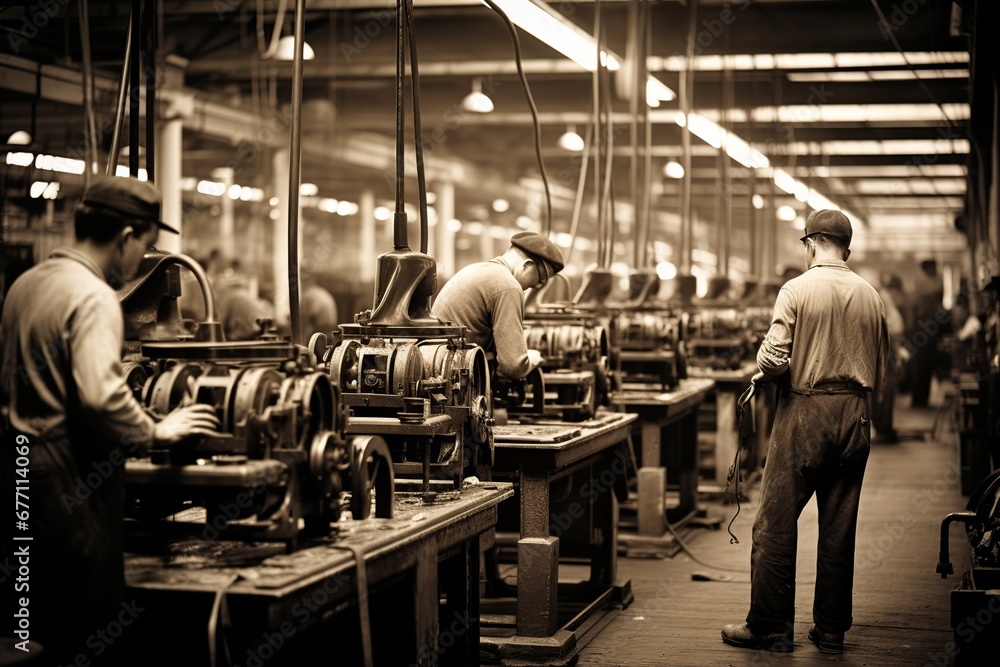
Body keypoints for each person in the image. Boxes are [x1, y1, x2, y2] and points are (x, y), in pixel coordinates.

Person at [1, 176, 221, 664]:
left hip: (19, 467)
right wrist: (155, 429)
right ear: (125, 237)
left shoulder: (25, 285)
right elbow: (101, 397)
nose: (141, 260)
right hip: (69, 477)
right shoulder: (94, 297)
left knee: (28, 618)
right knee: (84, 622)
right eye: (144, 245)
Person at [721, 210, 888, 655]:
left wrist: (777, 372)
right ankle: (831, 629)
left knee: (774, 523)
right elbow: (883, 367)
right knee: (839, 524)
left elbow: (773, 360)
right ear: (846, 248)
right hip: (856, 414)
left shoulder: (796, 289)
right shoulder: (871, 295)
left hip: (806, 412)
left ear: (811, 243)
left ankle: (770, 626)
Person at [431, 231, 565, 382]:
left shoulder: (477, 269)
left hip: (435, 366)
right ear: (527, 265)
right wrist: (532, 359)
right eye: (541, 278)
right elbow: (513, 366)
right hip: (453, 377)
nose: (538, 285)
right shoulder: (509, 286)